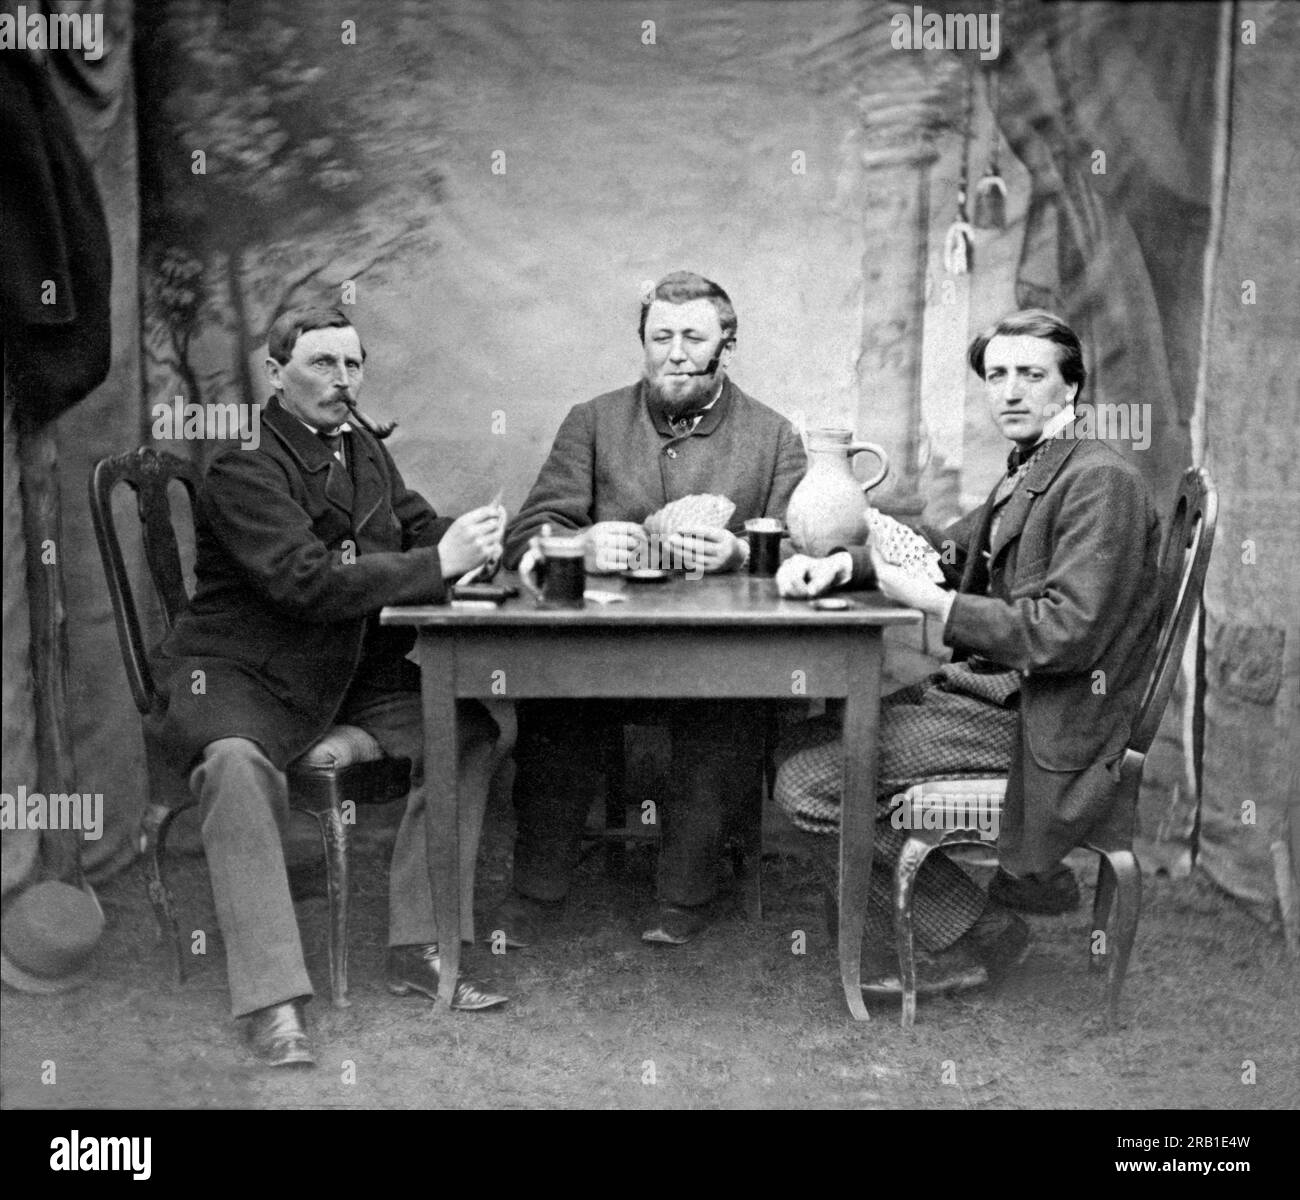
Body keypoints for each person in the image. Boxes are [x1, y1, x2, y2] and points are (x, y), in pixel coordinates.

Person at [148, 306, 510, 1068]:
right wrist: (439, 563)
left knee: (469, 728)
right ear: (276, 375)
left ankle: (419, 944)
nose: (341, 381)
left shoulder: (357, 447)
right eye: (321, 364)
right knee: (236, 765)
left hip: (338, 676)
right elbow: (303, 582)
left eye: (352, 364)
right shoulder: (243, 460)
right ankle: (273, 998)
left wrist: (494, 547)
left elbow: (414, 527)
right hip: (241, 672)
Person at [774, 309, 1162, 993]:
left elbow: (1064, 632)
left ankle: (970, 932)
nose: (1010, 391)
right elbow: (944, 555)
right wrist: (850, 567)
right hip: (996, 697)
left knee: (805, 782)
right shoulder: (1037, 468)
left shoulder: (1101, 482)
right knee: (788, 743)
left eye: (1031, 375)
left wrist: (927, 602)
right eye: (997, 374)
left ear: (1070, 388)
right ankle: (969, 920)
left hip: (1051, 721)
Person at [496, 271, 806, 946]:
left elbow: (804, 555)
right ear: (642, 342)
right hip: (600, 650)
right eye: (659, 336)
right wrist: (579, 540)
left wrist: (733, 554)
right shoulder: (594, 420)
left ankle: (685, 897)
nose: (675, 352)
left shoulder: (775, 436)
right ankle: (537, 889)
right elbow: (527, 533)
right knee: (554, 705)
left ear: (728, 342)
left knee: (723, 709)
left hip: (720, 653)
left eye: (693, 337)